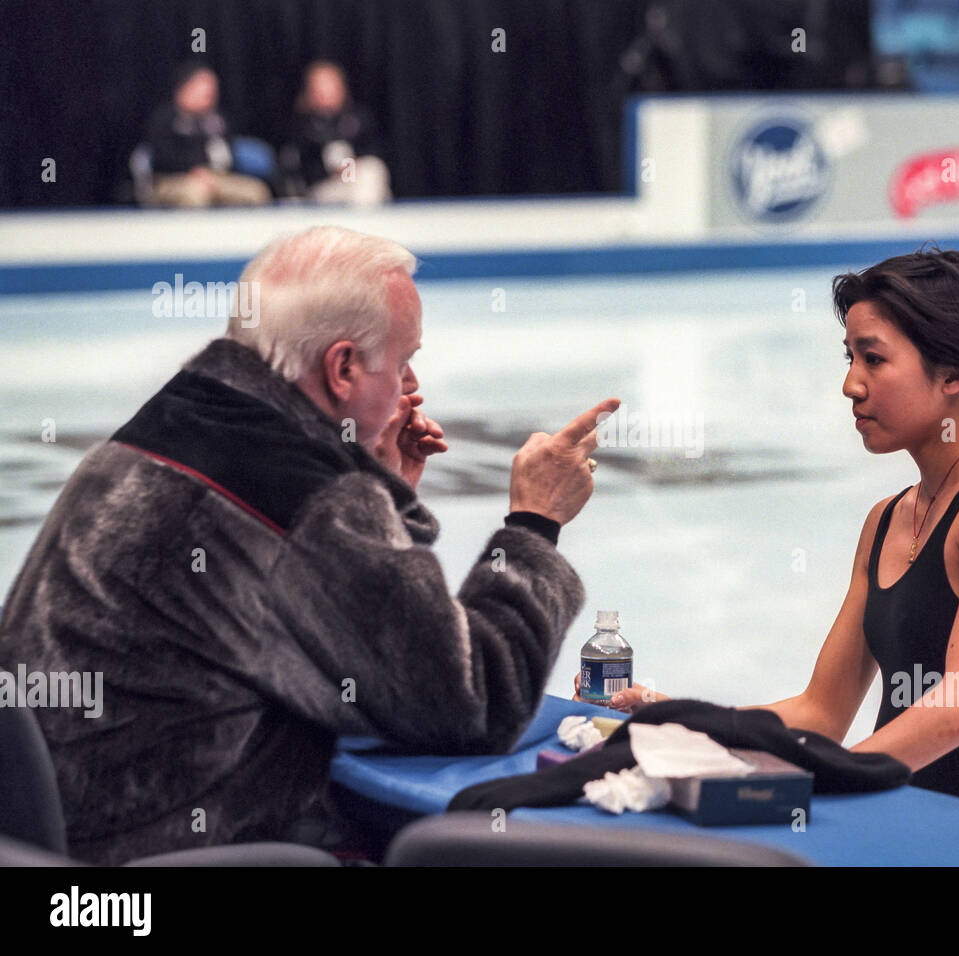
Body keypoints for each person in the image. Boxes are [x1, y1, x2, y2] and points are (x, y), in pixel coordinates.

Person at [0, 226, 618, 864]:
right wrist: (534, 526)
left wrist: (381, 490)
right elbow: (478, 700)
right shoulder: (304, 497)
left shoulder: (158, 431)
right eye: (403, 360)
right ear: (343, 367)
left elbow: (321, 623)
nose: (411, 383)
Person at [581, 248, 959, 817]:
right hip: (885, 818)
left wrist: (830, 779)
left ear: (953, 374)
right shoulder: (886, 519)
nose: (851, 385)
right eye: (850, 357)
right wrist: (694, 722)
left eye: (874, 360)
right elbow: (822, 710)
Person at [143, 61, 272, 207]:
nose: (210, 93)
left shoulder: (217, 120)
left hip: (215, 177)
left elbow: (229, 155)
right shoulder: (164, 120)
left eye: (213, 88)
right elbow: (162, 158)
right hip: (175, 179)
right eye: (203, 87)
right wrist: (194, 170)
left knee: (256, 192)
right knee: (195, 195)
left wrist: (214, 173)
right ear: (184, 89)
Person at [281, 60, 391, 205]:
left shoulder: (359, 119)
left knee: (371, 173)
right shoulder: (299, 125)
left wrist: (349, 165)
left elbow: (375, 154)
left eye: (330, 85)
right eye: (320, 86)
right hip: (320, 193)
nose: (325, 91)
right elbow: (295, 170)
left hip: (358, 183)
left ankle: (364, 223)